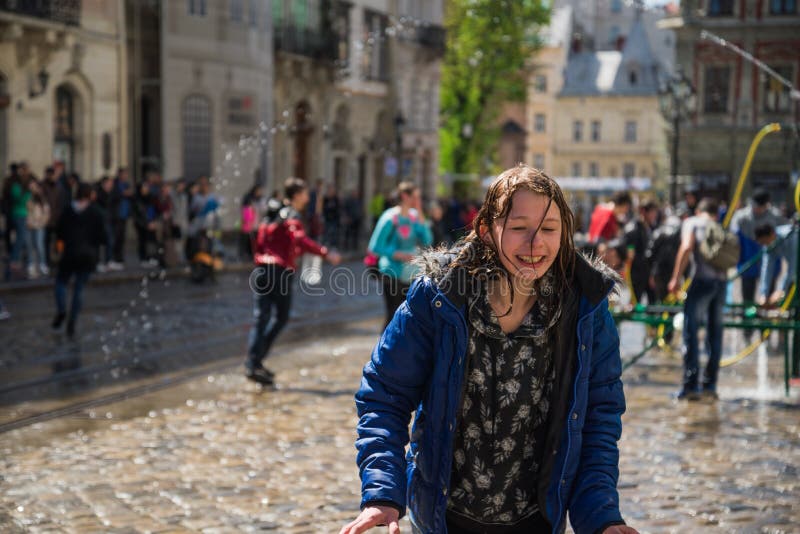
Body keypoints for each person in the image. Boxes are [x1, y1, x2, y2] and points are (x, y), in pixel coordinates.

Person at [341, 165, 636, 534]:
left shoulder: (585, 308)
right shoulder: (439, 298)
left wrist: (601, 516)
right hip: (442, 520)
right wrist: (383, 493)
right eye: (519, 228)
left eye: (549, 229)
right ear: (486, 230)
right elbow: (385, 396)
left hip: (538, 523)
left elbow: (599, 418)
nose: (536, 243)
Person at [245, 177, 342, 385]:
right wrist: (325, 253)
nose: (307, 198)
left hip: (261, 270)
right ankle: (257, 359)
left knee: (261, 317)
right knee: (280, 317)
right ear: (297, 195)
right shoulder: (292, 216)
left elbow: (259, 238)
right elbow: (299, 239)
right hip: (279, 272)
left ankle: (254, 363)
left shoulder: (273, 211)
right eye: (305, 194)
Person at [668, 198, 728, 401]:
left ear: (698, 210)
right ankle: (710, 385)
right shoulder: (718, 226)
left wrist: (675, 278)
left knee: (690, 331)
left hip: (701, 280)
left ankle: (691, 385)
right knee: (715, 333)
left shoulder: (692, 222)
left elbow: (686, 247)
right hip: (721, 284)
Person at [367, 181, 433, 327]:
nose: (418, 201)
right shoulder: (389, 217)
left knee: (408, 317)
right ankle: (385, 342)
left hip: (411, 274)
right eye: (415, 197)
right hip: (392, 272)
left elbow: (427, 240)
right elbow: (374, 246)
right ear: (404, 196)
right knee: (393, 316)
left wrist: (421, 214)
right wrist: (397, 254)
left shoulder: (414, 217)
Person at [52, 183, 108, 338]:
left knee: (61, 282)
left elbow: (59, 231)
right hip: (88, 254)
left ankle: (62, 309)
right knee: (79, 288)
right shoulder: (95, 212)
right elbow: (103, 236)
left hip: (70, 252)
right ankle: (72, 320)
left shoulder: (68, 210)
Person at [623, 200, 659, 304]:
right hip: (637, 274)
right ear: (643, 212)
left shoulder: (650, 227)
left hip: (647, 272)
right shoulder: (633, 229)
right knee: (635, 303)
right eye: (652, 212)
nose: (654, 216)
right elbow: (630, 253)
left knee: (653, 303)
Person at [754, 223, 797, 307]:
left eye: (765, 241)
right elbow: (767, 269)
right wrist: (764, 294)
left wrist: (780, 290)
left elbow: (793, 266)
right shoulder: (769, 245)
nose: (765, 245)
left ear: (772, 234)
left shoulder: (791, 236)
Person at [26, 178, 51, 277]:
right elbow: (26, 211)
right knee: (30, 245)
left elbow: (46, 212)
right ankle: (31, 264)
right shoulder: (27, 197)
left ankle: (42, 264)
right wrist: (28, 222)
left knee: (39, 245)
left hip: (39, 225)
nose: (32, 188)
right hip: (29, 225)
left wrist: (42, 222)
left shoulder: (42, 198)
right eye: (30, 186)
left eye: (34, 186)